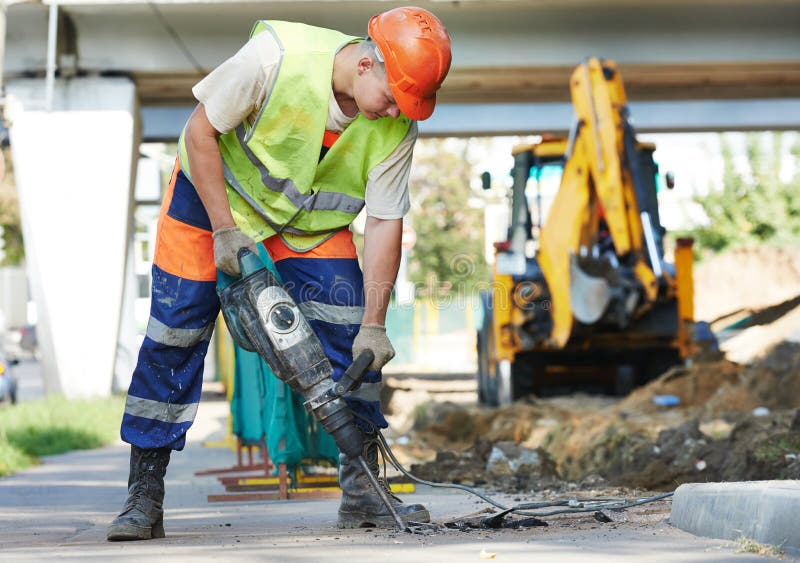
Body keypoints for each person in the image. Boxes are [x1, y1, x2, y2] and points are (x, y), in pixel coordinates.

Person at [107, 7, 452, 541]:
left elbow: (385, 222)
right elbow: (200, 133)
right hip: (210, 204)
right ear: (367, 65)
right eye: (393, 97)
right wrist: (223, 230)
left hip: (306, 224)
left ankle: (365, 494)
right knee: (173, 337)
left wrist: (375, 324)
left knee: (352, 335)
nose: (395, 112)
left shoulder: (397, 122)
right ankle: (143, 496)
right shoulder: (277, 56)